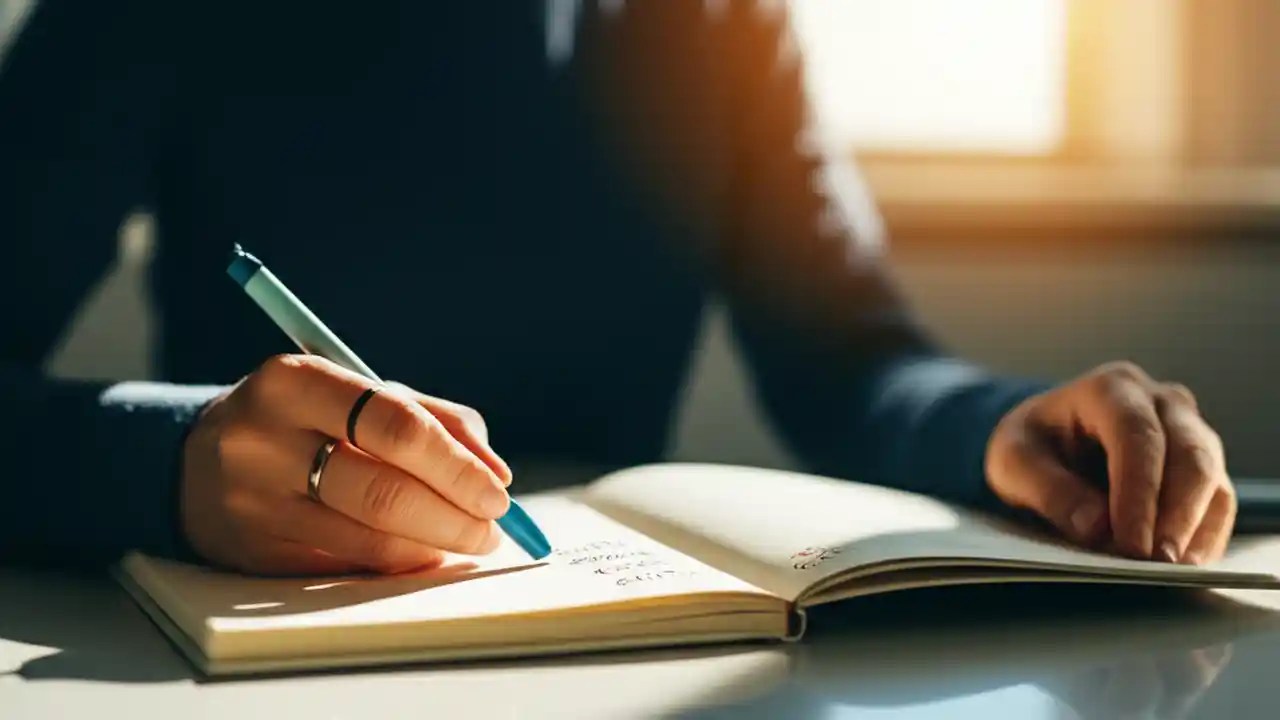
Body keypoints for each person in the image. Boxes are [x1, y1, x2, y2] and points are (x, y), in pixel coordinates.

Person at [0, 1, 1234, 575]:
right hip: (257, 643)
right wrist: (170, 459)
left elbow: (850, 362)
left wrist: (999, 428)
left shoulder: (716, 24)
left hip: (615, 649)